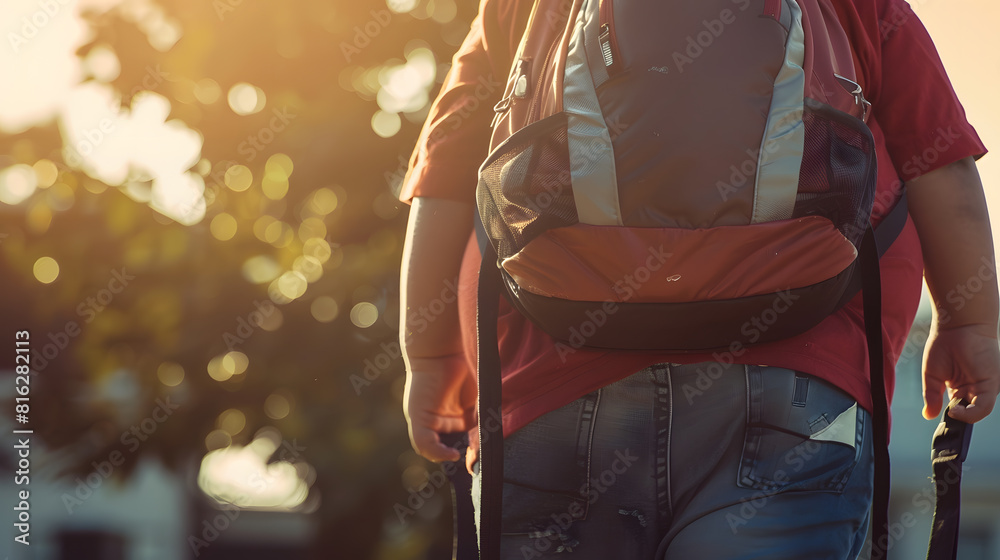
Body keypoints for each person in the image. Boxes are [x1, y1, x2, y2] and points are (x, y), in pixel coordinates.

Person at [398, 0, 1000, 557]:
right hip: (798, 377)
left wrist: (430, 357)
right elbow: (939, 158)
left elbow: (447, 178)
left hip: (553, 384)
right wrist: (969, 321)